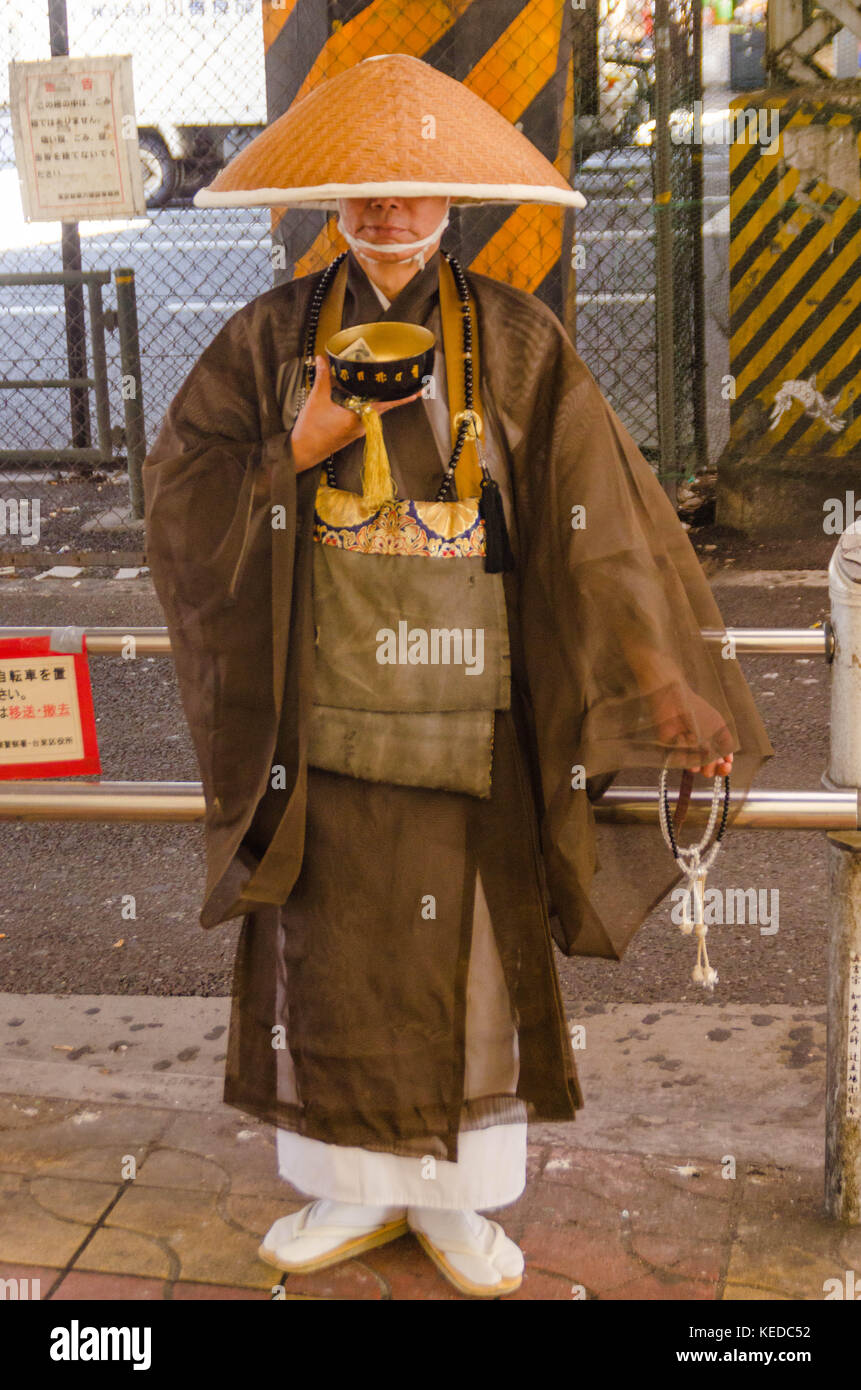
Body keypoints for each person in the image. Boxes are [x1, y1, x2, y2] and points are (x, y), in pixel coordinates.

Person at [143, 54, 773, 1298]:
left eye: (412, 192)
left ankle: (460, 1199)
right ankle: (342, 1186)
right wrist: (298, 446)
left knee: (474, 939)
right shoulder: (269, 339)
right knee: (326, 942)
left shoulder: (523, 344)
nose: (387, 217)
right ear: (332, 204)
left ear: (453, 203)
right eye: (364, 194)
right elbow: (181, 498)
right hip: (317, 705)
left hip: (473, 705)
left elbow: (604, 530)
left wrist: (663, 685)